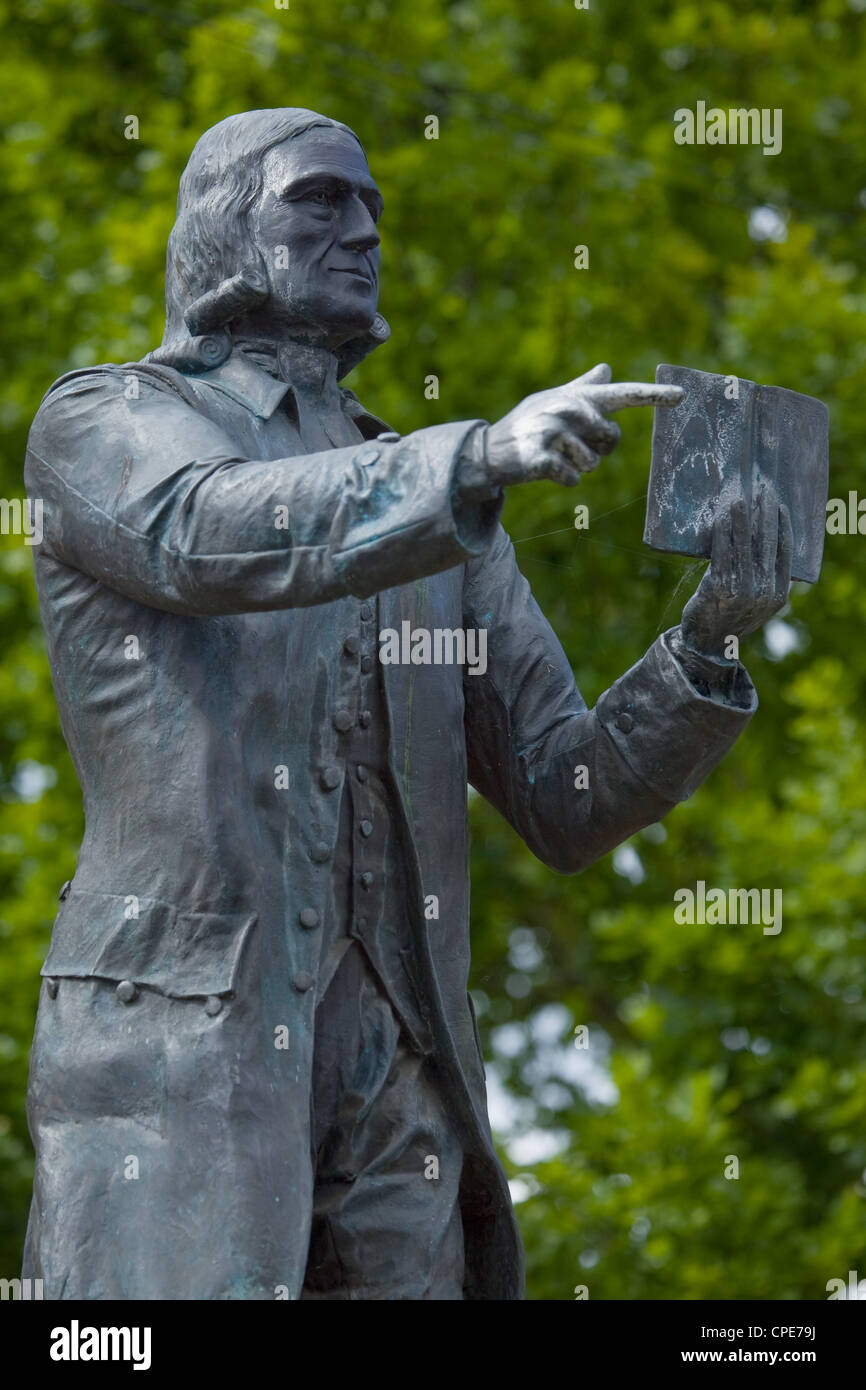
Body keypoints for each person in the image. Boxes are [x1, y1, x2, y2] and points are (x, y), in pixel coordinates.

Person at [22, 108, 790, 1300]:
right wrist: (471, 460)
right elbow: (210, 532)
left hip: (401, 1094)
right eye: (320, 201)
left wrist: (710, 635)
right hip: (184, 1051)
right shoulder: (107, 424)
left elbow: (566, 792)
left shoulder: (442, 513)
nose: (363, 229)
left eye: (371, 207)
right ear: (225, 230)